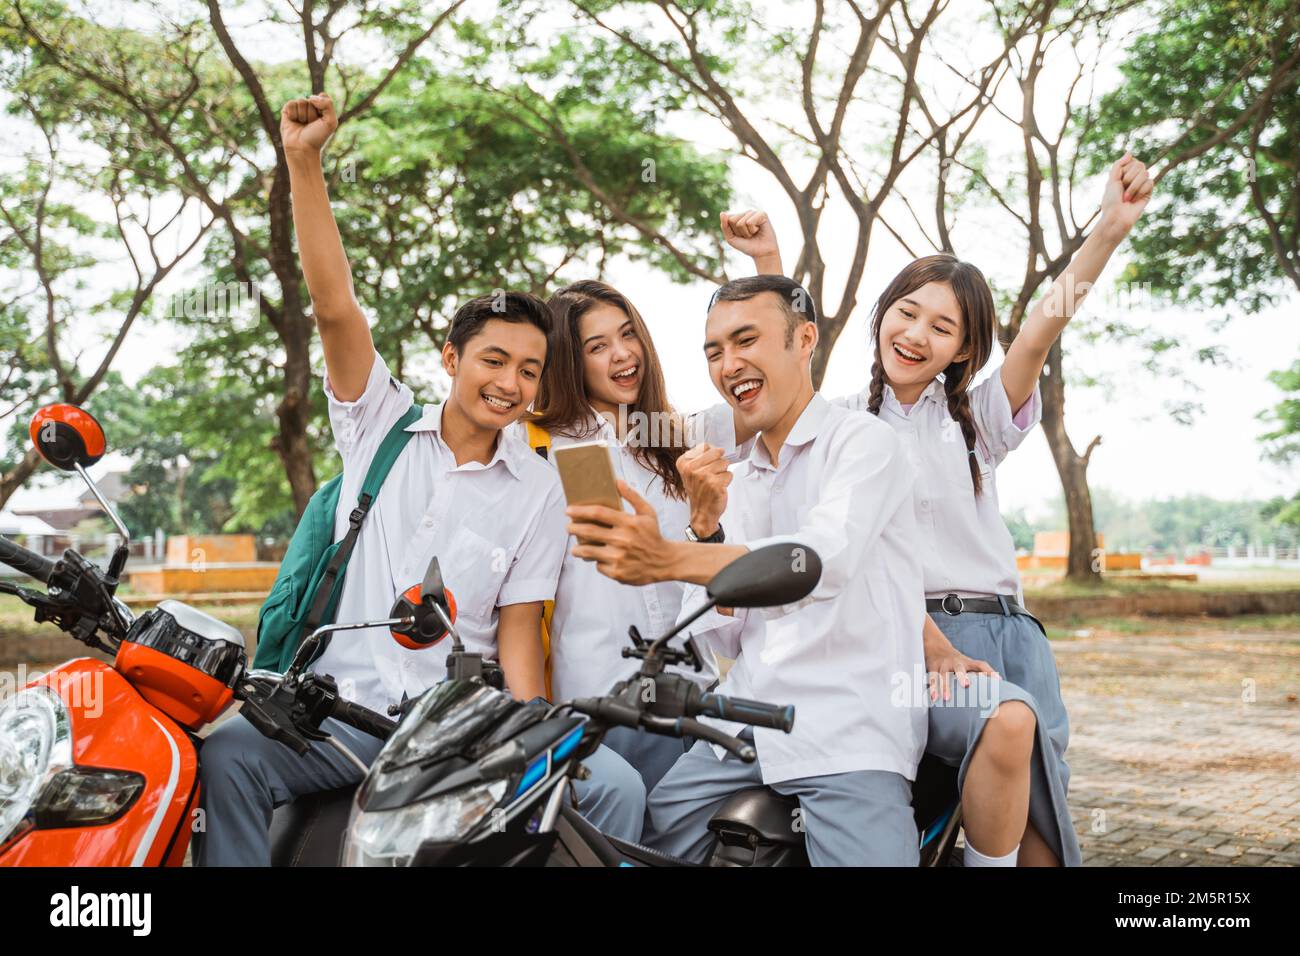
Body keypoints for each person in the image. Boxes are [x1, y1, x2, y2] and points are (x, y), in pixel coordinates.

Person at [192, 93, 643, 865]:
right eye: (494, 361)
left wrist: (533, 733)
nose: (509, 384)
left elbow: (518, 636)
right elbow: (335, 309)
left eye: (529, 371)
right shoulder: (380, 425)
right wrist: (304, 162)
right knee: (227, 757)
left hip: (454, 728)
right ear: (451, 358)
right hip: (339, 717)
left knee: (617, 787)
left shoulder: (538, 484)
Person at [727, 153, 1154, 865]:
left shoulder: (975, 420)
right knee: (980, 754)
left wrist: (1107, 231)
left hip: (1010, 634)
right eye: (908, 312)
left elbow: (1042, 330)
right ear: (883, 316)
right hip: (907, 640)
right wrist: (768, 257)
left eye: (944, 328)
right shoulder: (835, 423)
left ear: (961, 351)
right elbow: (779, 357)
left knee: (1044, 842)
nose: (918, 335)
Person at [564, 274, 928, 866]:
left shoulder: (865, 443)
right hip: (740, 728)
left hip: (846, 733)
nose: (729, 363)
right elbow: (727, 632)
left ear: (804, 338)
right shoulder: (740, 479)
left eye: (746, 340)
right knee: (634, 848)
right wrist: (705, 532)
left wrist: (667, 557)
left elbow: (816, 563)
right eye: (714, 352)